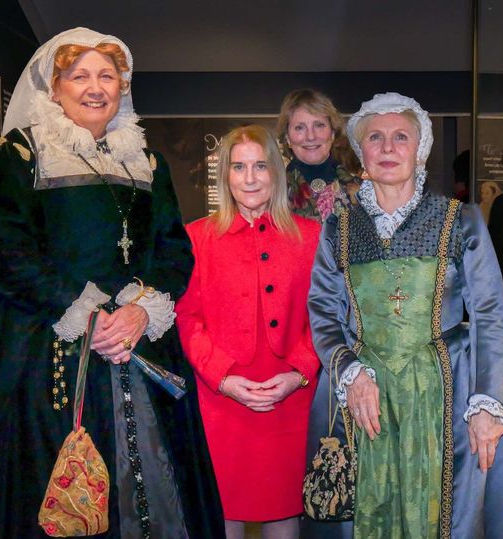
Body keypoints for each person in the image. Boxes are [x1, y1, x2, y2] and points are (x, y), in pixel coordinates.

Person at [0, 27, 222, 538]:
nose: (95, 88)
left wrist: (141, 309)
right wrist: (85, 315)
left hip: (139, 338)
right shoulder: (18, 156)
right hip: (41, 340)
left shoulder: (148, 161)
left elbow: (172, 248)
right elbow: (6, 251)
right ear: (55, 87)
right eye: (80, 76)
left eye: (107, 76)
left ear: (123, 85)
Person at [304, 92, 503, 538]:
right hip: (364, 394)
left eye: (401, 137)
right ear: (361, 151)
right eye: (375, 138)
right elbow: (321, 309)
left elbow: (490, 314)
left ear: (420, 149)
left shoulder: (461, 220)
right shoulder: (338, 227)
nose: (388, 147)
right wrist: (349, 372)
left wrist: (487, 401)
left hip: (448, 393)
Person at [175, 125, 321, 539]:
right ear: (225, 175)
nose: (250, 177)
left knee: (284, 514)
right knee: (223, 515)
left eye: (260, 166)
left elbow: (326, 320)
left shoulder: (311, 237)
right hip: (222, 403)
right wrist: (221, 376)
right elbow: (188, 319)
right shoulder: (197, 237)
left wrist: (298, 373)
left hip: (289, 401)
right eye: (238, 167)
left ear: (275, 172)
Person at [276, 88, 361, 220]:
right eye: (300, 127)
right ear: (287, 137)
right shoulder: (272, 192)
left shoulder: (364, 191)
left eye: (319, 125)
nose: (311, 136)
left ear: (332, 133)